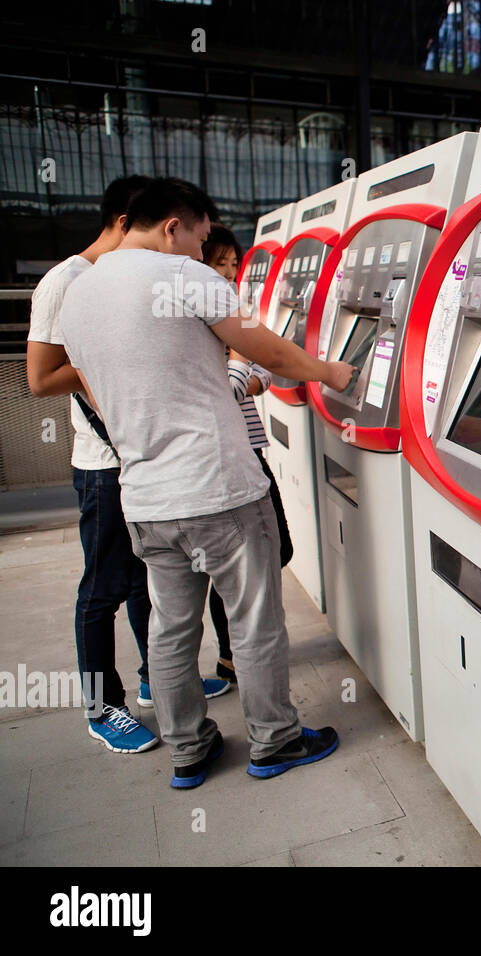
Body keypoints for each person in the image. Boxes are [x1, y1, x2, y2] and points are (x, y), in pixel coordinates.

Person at [60, 177, 356, 789]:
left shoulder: (80, 295)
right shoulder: (185, 276)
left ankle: (189, 750)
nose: (202, 251)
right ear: (174, 225)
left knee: (171, 629)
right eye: (199, 237)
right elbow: (268, 351)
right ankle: (275, 741)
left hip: (143, 493)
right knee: (254, 620)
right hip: (219, 488)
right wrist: (331, 371)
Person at [25, 175, 227, 754]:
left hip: (142, 451)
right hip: (103, 463)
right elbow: (40, 378)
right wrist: (111, 359)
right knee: (103, 586)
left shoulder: (116, 278)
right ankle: (100, 705)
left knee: (147, 578)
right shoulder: (66, 282)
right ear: (124, 223)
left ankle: (150, 680)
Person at [199, 225, 294, 684]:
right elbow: (235, 384)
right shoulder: (204, 321)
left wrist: (246, 372)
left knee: (274, 552)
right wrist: (244, 368)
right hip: (232, 458)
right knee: (243, 566)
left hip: (250, 448)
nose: (230, 273)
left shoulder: (231, 316)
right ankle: (237, 655)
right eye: (220, 264)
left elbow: (263, 374)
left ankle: (235, 653)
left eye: (235, 265)